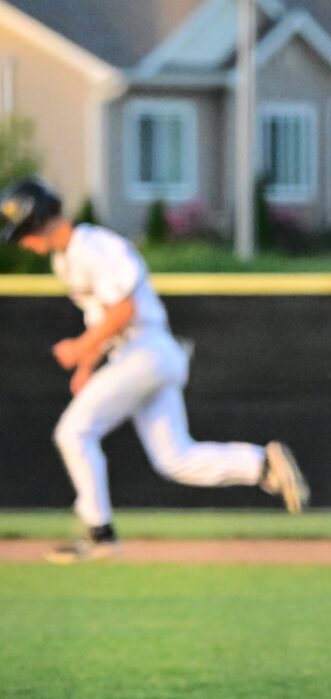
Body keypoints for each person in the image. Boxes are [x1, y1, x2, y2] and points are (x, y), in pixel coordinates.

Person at [1, 178, 309, 562]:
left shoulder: (93, 246)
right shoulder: (65, 259)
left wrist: (80, 347)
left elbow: (125, 310)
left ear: (39, 221)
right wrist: (87, 362)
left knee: (74, 431)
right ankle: (261, 464)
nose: (22, 243)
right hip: (140, 355)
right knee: (174, 457)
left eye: (23, 233)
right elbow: (102, 317)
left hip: (145, 351)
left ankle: (99, 533)